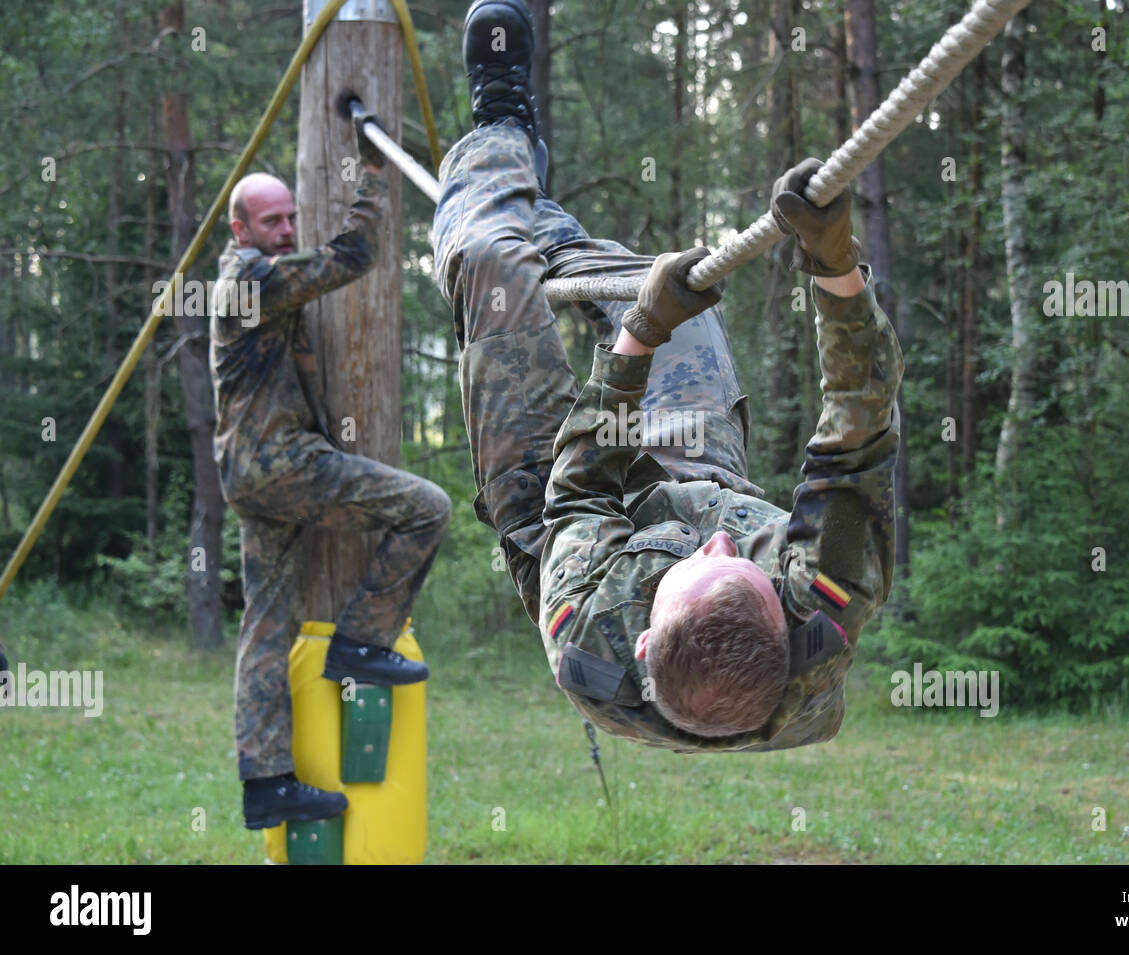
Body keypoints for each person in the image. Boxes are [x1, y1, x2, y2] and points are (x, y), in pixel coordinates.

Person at [433, 0, 902, 751]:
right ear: (784, 618)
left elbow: (580, 485)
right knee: (663, 282)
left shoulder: (592, 624)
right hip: (694, 463)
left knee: (490, 262)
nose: (709, 543)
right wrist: (837, 269)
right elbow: (859, 430)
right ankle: (540, 210)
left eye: (694, 561)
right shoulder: (823, 603)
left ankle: (499, 135)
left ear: (644, 641)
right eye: (738, 559)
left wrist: (641, 335)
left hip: (553, 510)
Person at [210, 102, 451, 828]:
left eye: (290, 218)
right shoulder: (251, 280)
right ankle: (362, 640)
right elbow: (354, 256)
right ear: (240, 229)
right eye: (272, 222)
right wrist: (373, 174)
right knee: (427, 508)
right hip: (281, 465)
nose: (286, 231)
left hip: (251, 474)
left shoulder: (254, 276)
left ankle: (266, 783)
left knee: (266, 625)